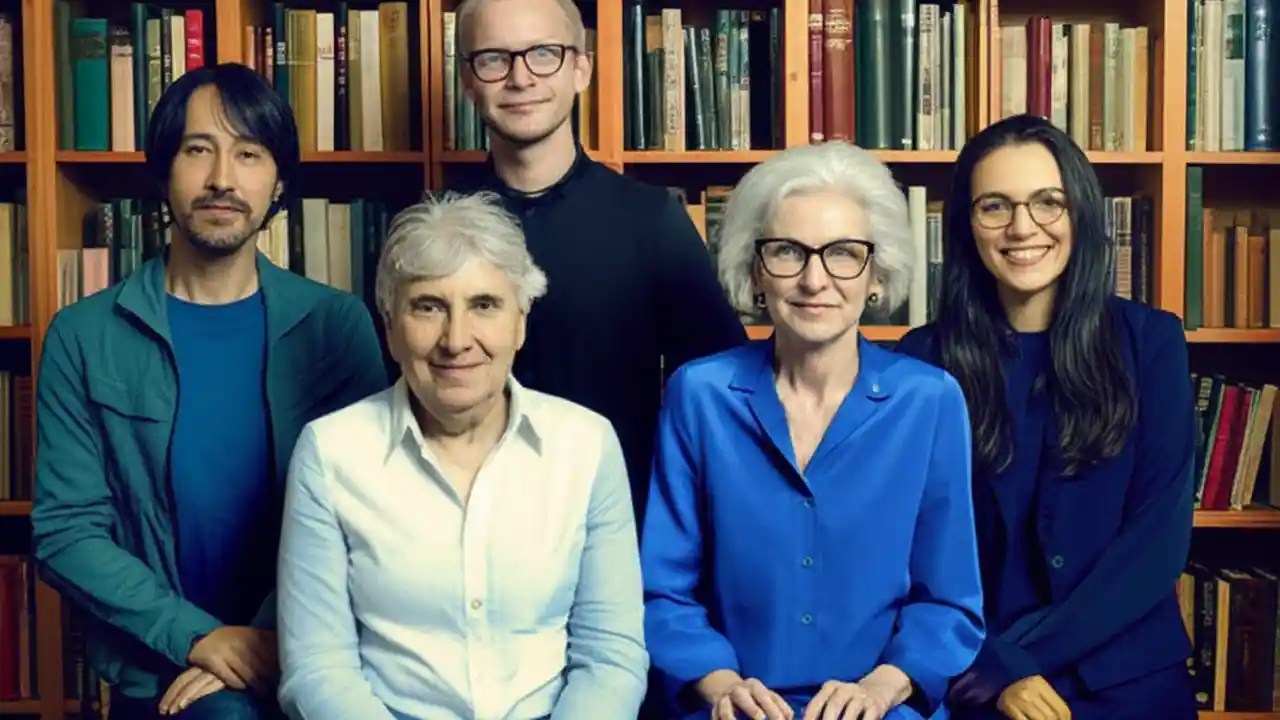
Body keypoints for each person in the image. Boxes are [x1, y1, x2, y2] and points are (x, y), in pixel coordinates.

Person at [30, 64, 389, 720]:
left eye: (249, 154)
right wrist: (199, 638)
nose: (223, 177)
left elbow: (367, 513)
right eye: (199, 150)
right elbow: (65, 531)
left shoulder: (338, 328)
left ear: (278, 183)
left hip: (316, 661)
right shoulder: (83, 336)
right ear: (164, 173)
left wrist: (269, 640)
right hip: (158, 674)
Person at [640, 142, 986, 720]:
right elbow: (662, 590)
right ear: (755, 272)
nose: (814, 279)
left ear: (876, 274)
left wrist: (881, 688)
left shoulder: (931, 402)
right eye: (787, 252)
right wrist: (721, 683)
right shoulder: (697, 395)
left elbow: (949, 601)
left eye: (843, 253)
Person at [274, 191, 648, 720]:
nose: (456, 339)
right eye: (428, 307)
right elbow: (318, 667)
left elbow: (611, 657)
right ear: (390, 327)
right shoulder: (330, 452)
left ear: (520, 322)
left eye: (484, 306)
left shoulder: (586, 445)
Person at [896, 114, 1198, 720]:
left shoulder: (1152, 343)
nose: (1022, 228)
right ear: (967, 227)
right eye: (995, 207)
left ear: (1079, 213)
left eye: (1047, 202)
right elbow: (904, 551)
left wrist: (1015, 661)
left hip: (1127, 679)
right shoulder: (919, 361)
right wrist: (986, 672)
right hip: (977, 684)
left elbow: (1156, 546)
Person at [453, 0, 746, 526]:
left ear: (580, 69)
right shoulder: (433, 225)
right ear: (468, 81)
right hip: (463, 526)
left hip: (615, 530)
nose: (521, 78)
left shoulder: (652, 220)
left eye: (544, 54)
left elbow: (719, 394)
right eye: (494, 58)